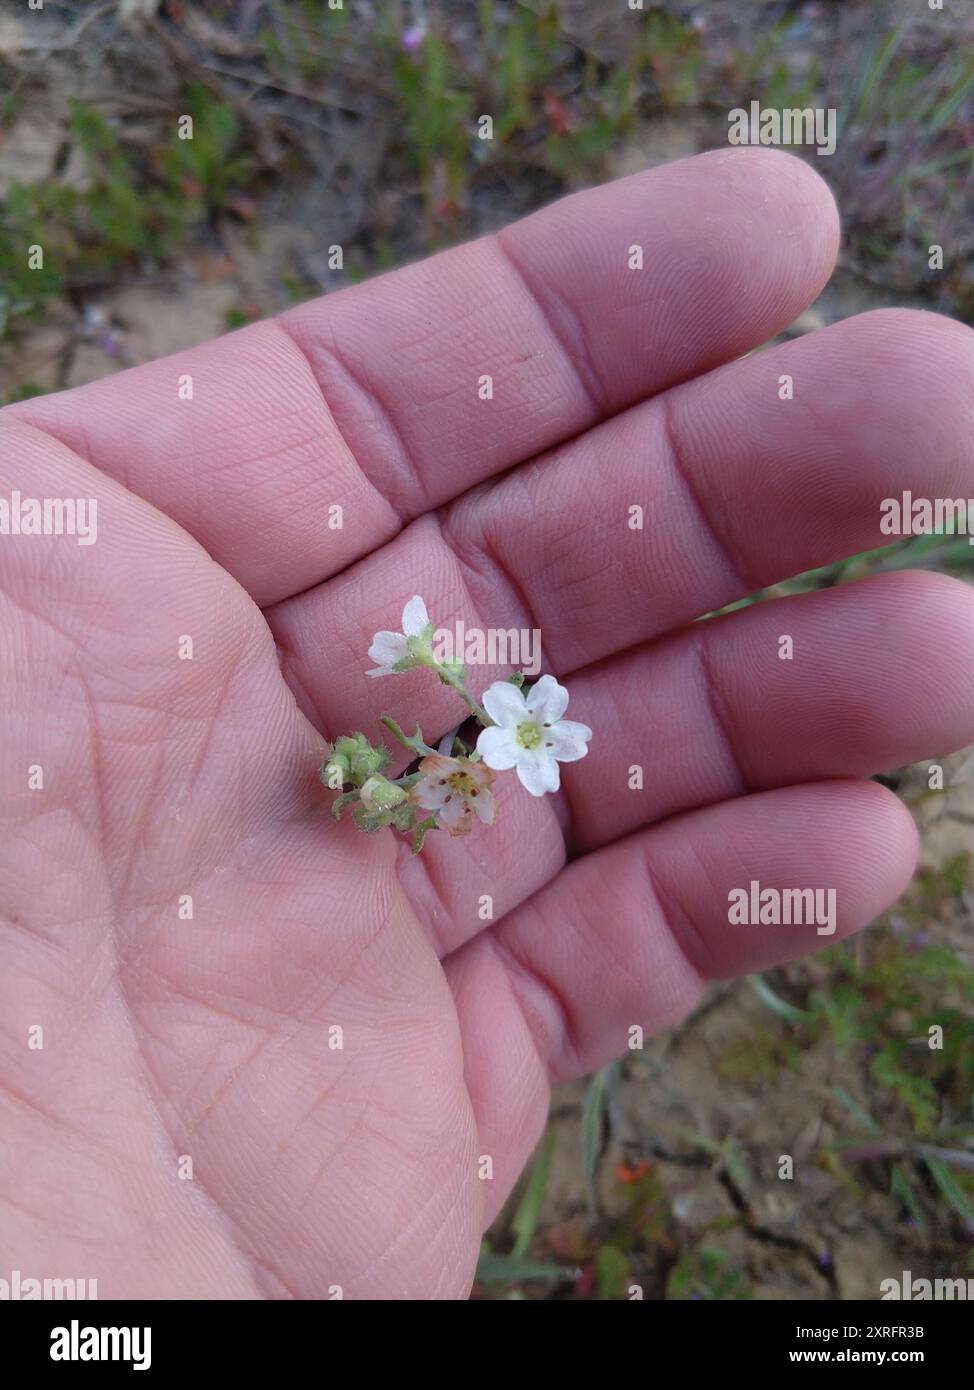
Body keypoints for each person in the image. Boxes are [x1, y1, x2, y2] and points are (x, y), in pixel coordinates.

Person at [1, 147, 972, 1300]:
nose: (490, 751)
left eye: (483, 752)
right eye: (476, 754)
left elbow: (483, 744)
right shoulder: (463, 739)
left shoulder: (486, 735)